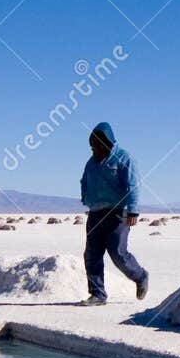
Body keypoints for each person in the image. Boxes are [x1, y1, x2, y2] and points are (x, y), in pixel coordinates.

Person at [79, 121, 149, 306]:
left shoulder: (124, 158)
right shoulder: (91, 162)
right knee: (91, 255)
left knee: (118, 253)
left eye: (97, 144)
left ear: (107, 142)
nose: (94, 148)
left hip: (117, 213)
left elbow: (133, 185)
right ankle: (97, 294)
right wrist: (86, 198)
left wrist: (133, 210)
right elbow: (84, 180)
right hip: (95, 213)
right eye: (92, 145)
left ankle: (140, 276)